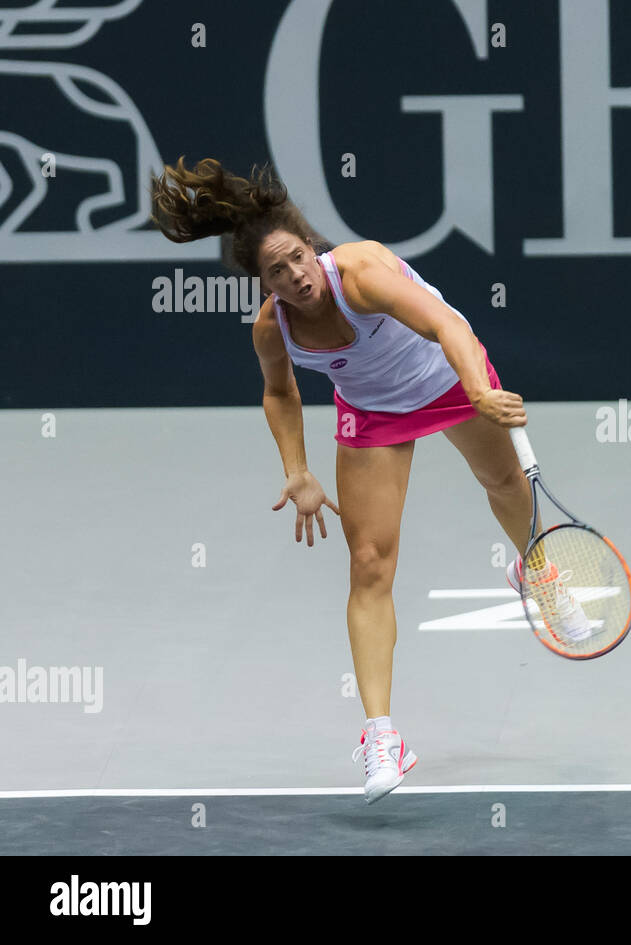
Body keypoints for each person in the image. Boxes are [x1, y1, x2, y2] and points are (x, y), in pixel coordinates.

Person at [149, 157, 590, 804]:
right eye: (277, 271)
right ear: (262, 282)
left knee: (501, 486)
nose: (297, 277)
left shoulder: (360, 275)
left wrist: (476, 389)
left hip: (448, 378)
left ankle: (538, 570)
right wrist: (295, 470)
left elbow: (449, 325)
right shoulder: (273, 328)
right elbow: (280, 394)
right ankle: (381, 736)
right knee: (368, 563)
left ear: (311, 245)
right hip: (373, 411)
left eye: (298, 257)